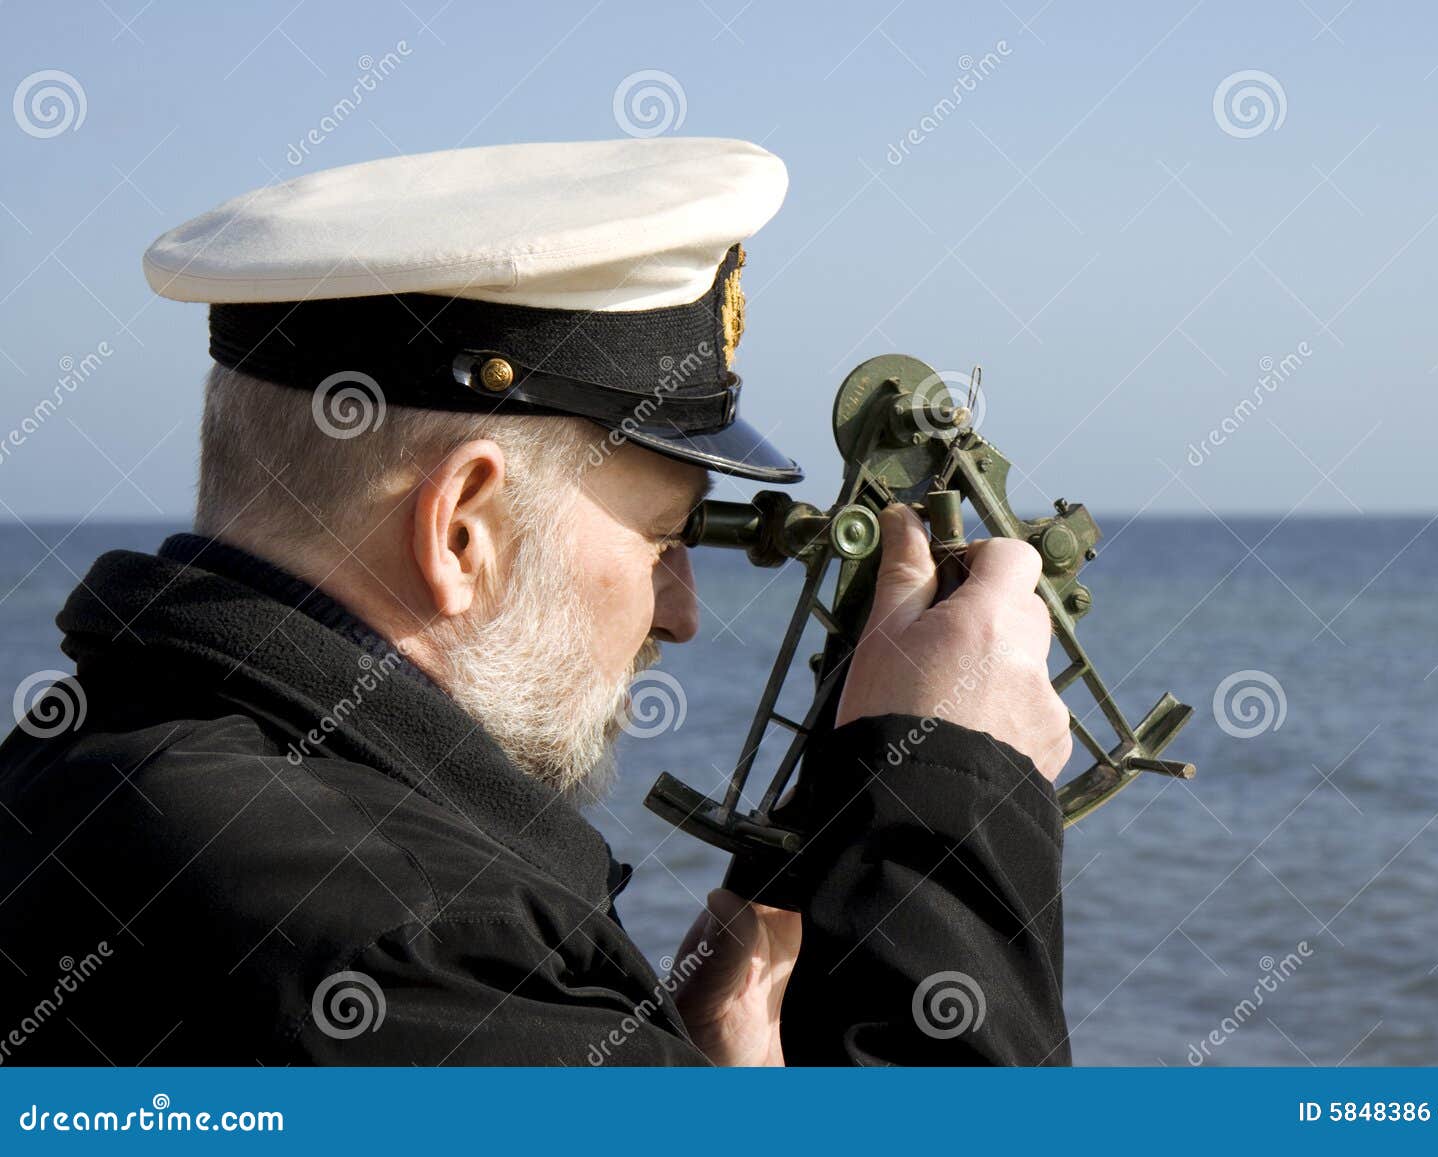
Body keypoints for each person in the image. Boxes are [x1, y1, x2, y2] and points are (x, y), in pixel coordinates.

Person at [0, 138, 1075, 1066]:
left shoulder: (74, 775)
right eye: (662, 538)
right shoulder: (410, 945)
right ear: (462, 527)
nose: (681, 611)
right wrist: (955, 796)